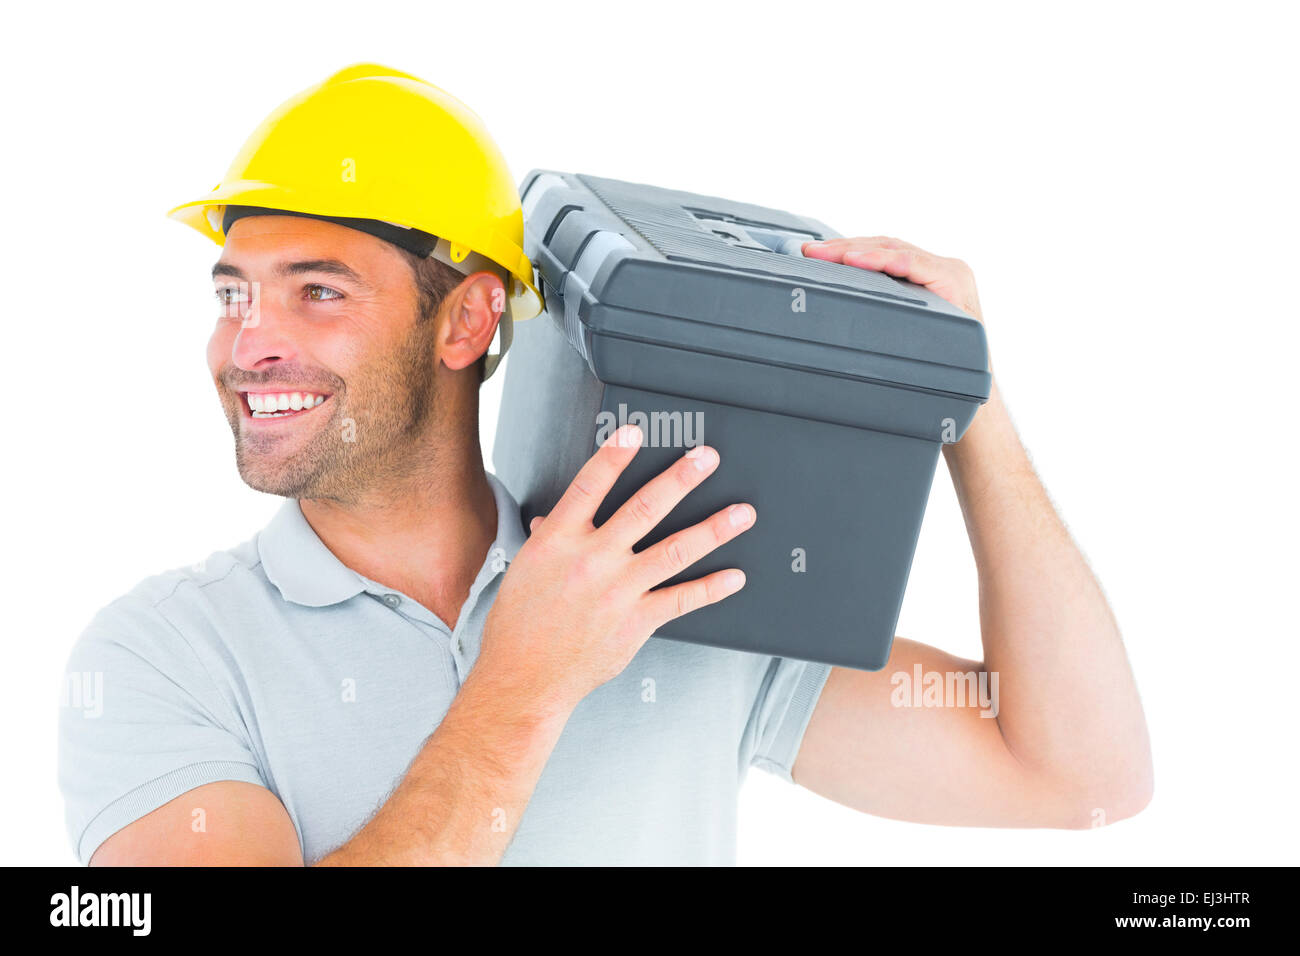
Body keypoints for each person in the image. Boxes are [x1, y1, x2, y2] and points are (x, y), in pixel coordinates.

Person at [58, 63, 1152, 866]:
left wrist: (965, 392)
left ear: (467, 321)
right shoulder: (167, 653)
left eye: (317, 289)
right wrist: (527, 678)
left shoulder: (658, 575)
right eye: (233, 292)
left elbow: (1080, 776)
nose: (249, 339)